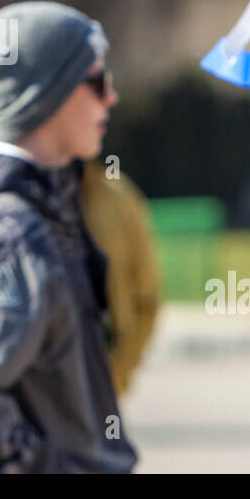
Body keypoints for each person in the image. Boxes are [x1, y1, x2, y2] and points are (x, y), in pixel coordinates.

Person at [0, 1, 137, 472]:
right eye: (97, 82)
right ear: (47, 95)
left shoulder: (46, 204)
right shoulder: (12, 237)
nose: (111, 98)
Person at [79, 163, 162, 396]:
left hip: (100, 394)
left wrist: (116, 374)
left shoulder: (118, 198)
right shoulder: (20, 198)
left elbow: (147, 299)